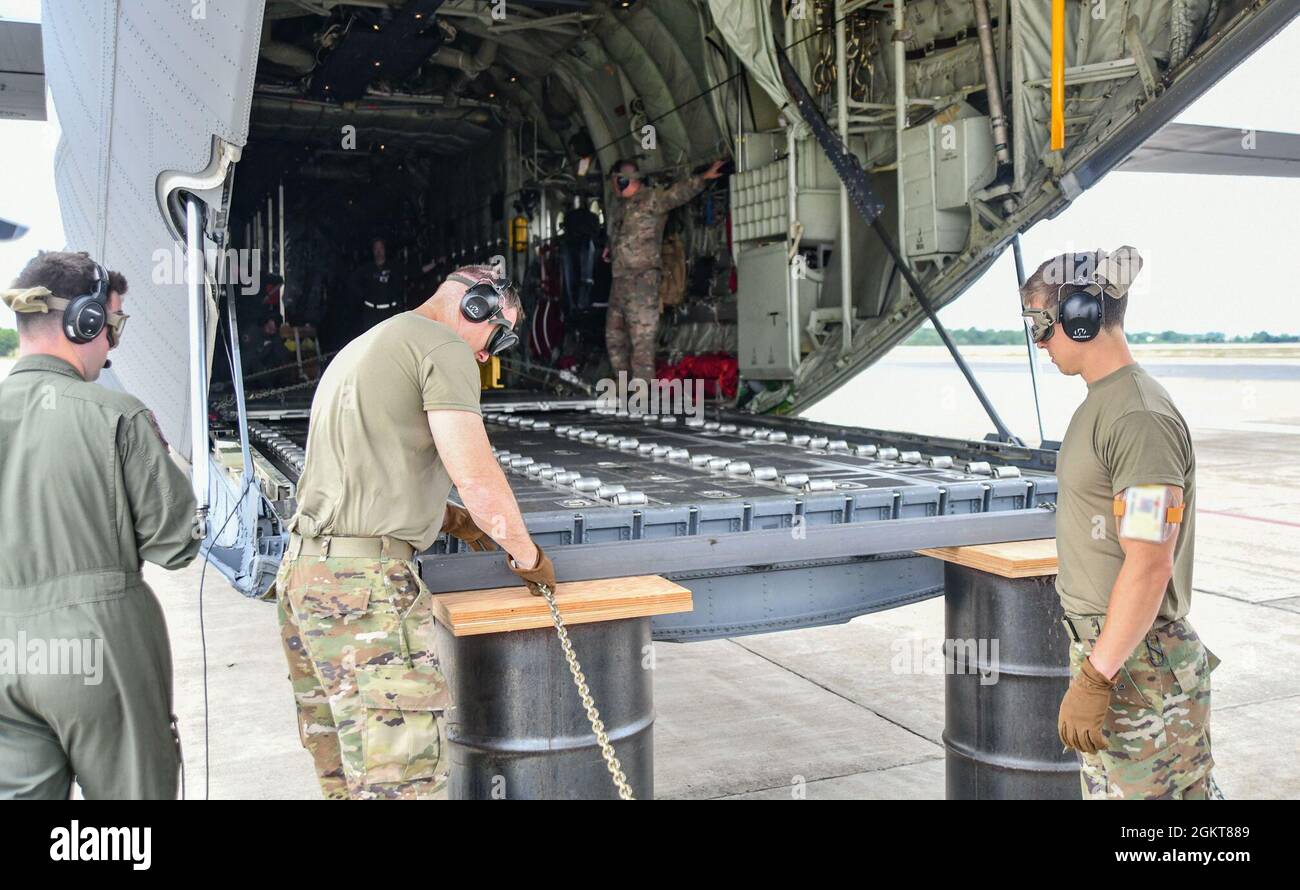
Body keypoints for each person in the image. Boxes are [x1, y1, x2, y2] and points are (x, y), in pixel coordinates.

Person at [275, 264, 557, 800]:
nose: (486, 355)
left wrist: (448, 517)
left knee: (348, 775)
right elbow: (477, 474)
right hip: (366, 591)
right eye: (498, 337)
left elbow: (365, 463)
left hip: (307, 578)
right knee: (404, 779)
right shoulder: (443, 348)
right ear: (475, 307)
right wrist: (527, 557)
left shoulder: (368, 345)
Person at [1020, 246, 1220, 800]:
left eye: (1042, 324)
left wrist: (1097, 676)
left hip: (1138, 666)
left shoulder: (1138, 418)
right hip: (1113, 656)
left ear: (1080, 319)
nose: (1039, 343)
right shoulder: (1102, 405)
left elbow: (1151, 560)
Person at [0, 251, 200, 799]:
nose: (111, 345)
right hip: (99, 647)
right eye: (111, 326)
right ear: (84, 322)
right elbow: (175, 544)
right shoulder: (116, 415)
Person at [604, 158, 725, 386]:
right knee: (614, 336)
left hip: (642, 281)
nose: (612, 187)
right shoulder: (620, 208)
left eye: (613, 181)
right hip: (620, 280)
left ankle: (642, 393)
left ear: (621, 180)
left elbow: (678, 193)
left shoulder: (651, 199)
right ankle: (622, 386)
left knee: (642, 339)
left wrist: (703, 178)